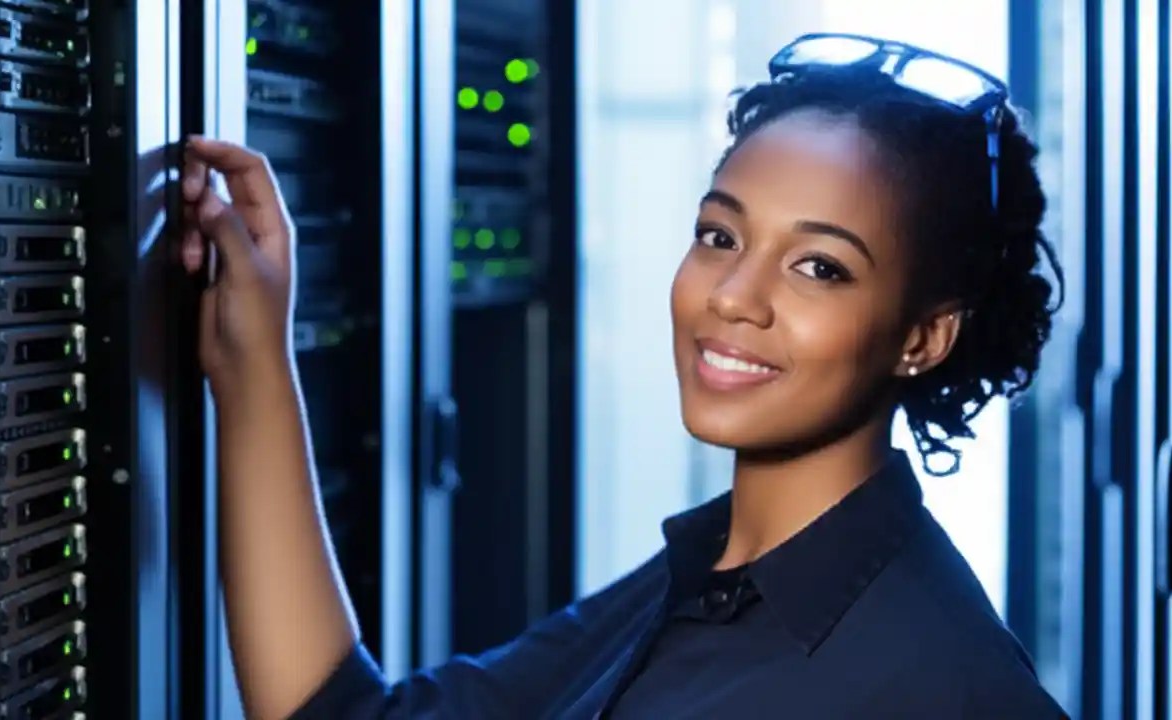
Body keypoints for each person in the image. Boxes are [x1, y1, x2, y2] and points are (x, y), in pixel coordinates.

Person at [181, 34, 1069, 719]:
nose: (733, 298)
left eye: (819, 267)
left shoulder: (943, 682)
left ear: (924, 335)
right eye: (721, 236)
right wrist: (253, 359)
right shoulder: (710, 575)